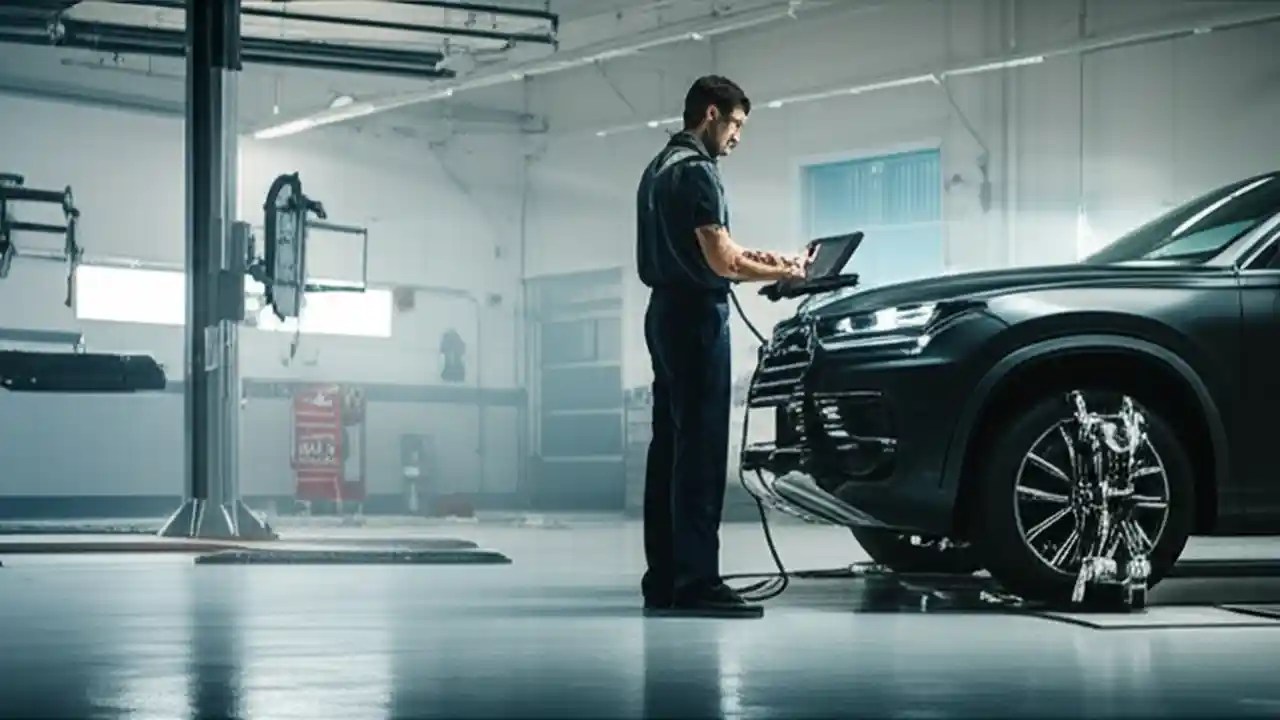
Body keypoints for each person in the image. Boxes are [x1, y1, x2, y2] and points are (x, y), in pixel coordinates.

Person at [636, 75, 810, 618]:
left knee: (668, 448)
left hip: (664, 313)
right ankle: (698, 583)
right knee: (703, 452)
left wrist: (783, 261)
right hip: (695, 320)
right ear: (711, 114)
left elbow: (720, 246)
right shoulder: (698, 172)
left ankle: (664, 578)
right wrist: (778, 274)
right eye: (735, 124)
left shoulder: (657, 169)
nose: (737, 136)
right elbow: (724, 262)